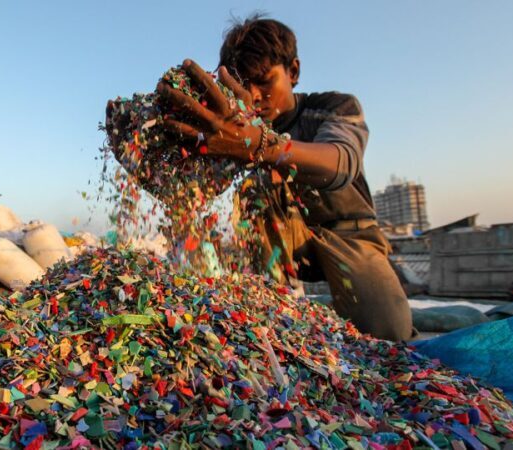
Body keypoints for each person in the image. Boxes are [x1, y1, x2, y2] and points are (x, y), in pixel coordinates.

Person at [154, 15, 415, 341]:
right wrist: (154, 163)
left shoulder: (332, 107)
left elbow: (340, 163)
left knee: (389, 331)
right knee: (252, 191)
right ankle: (271, 312)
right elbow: (197, 193)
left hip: (350, 238)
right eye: (242, 84)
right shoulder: (231, 131)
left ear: (293, 72)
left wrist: (258, 144)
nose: (254, 95)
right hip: (274, 248)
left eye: (264, 82)